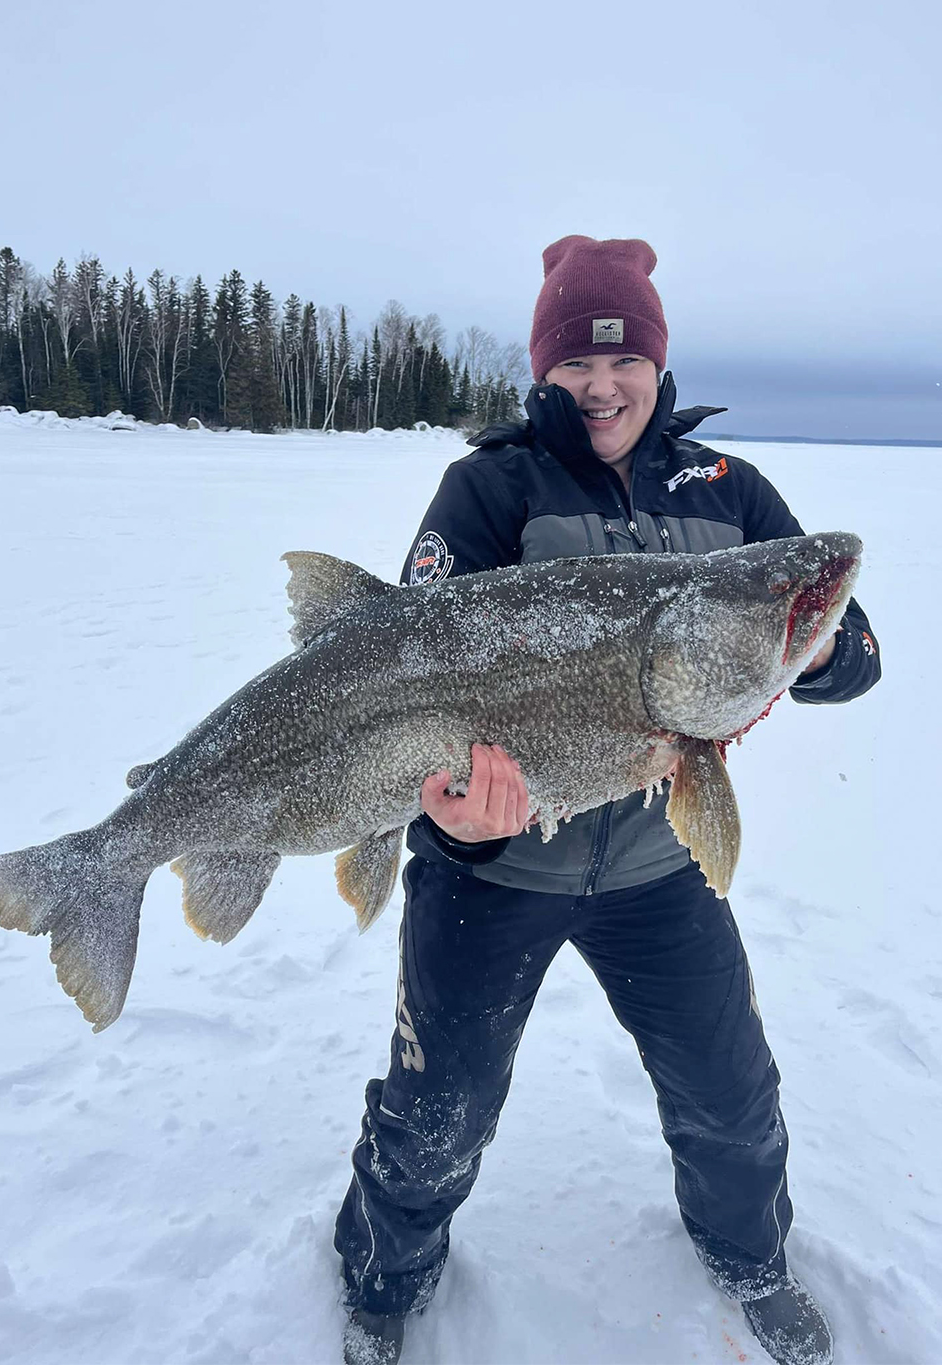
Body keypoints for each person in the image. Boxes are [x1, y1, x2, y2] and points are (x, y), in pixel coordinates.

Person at [334, 236, 880, 1365]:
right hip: (494, 873)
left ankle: (749, 1261)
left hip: (654, 870)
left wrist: (804, 660)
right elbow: (397, 676)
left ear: (654, 359)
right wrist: (448, 820)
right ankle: (382, 1281)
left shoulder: (727, 492)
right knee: (433, 1121)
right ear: (542, 369)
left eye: (620, 358)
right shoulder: (488, 488)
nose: (599, 385)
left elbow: (848, 638)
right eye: (574, 365)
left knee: (732, 1099)